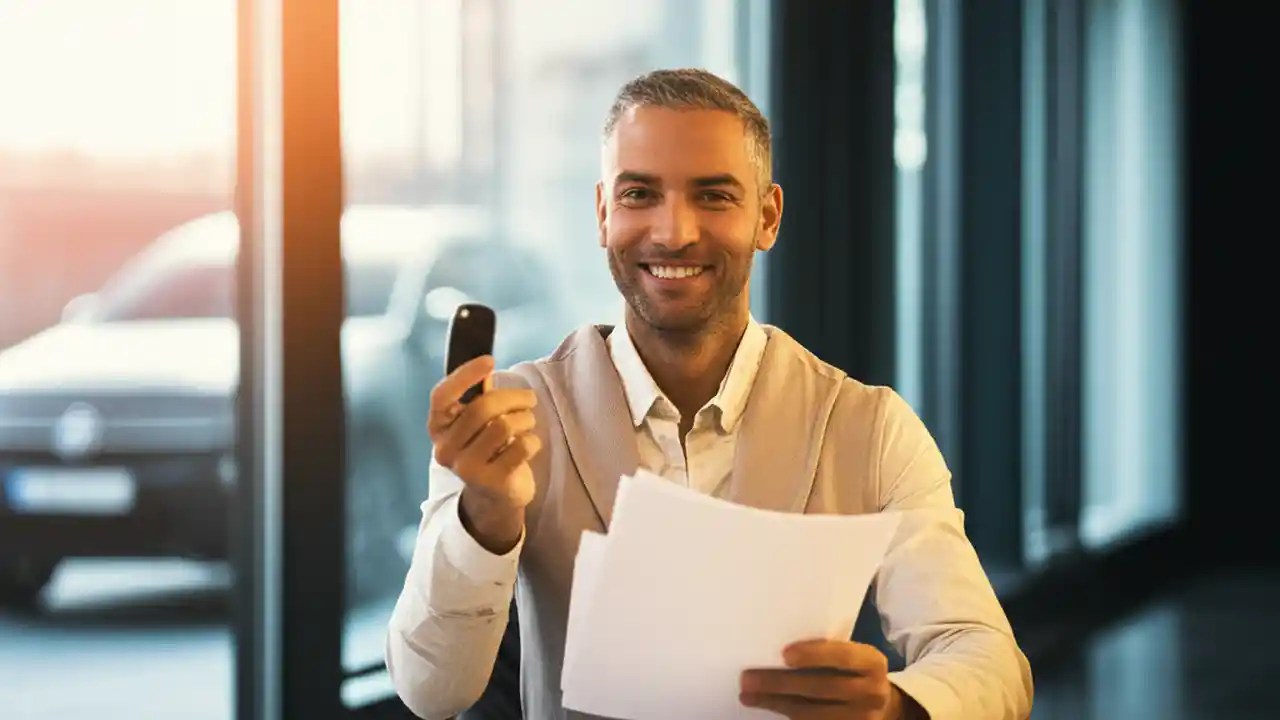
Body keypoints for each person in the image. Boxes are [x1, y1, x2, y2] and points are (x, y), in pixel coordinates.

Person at [387, 68, 1033, 720]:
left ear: (768, 216)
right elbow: (431, 688)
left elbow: (990, 661)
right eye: (639, 194)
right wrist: (487, 520)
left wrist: (894, 707)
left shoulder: (870, 428)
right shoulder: (507, 423)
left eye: (714, 196)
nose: (673, 233)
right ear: (603, 214)